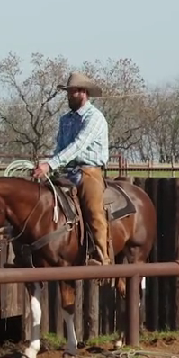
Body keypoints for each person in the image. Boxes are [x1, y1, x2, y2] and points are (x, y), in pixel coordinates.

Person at [31, 72, 111, 267]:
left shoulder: (94, 118)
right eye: (68, 92)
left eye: (72, 92)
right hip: (67, 172)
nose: (68, 96)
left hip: (89, 171)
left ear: (83, 93)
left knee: (94, 211)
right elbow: (61, 148)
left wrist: (50, 164)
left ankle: (103, 258)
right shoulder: (65, 120)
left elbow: (78, 145)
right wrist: (49, 166)